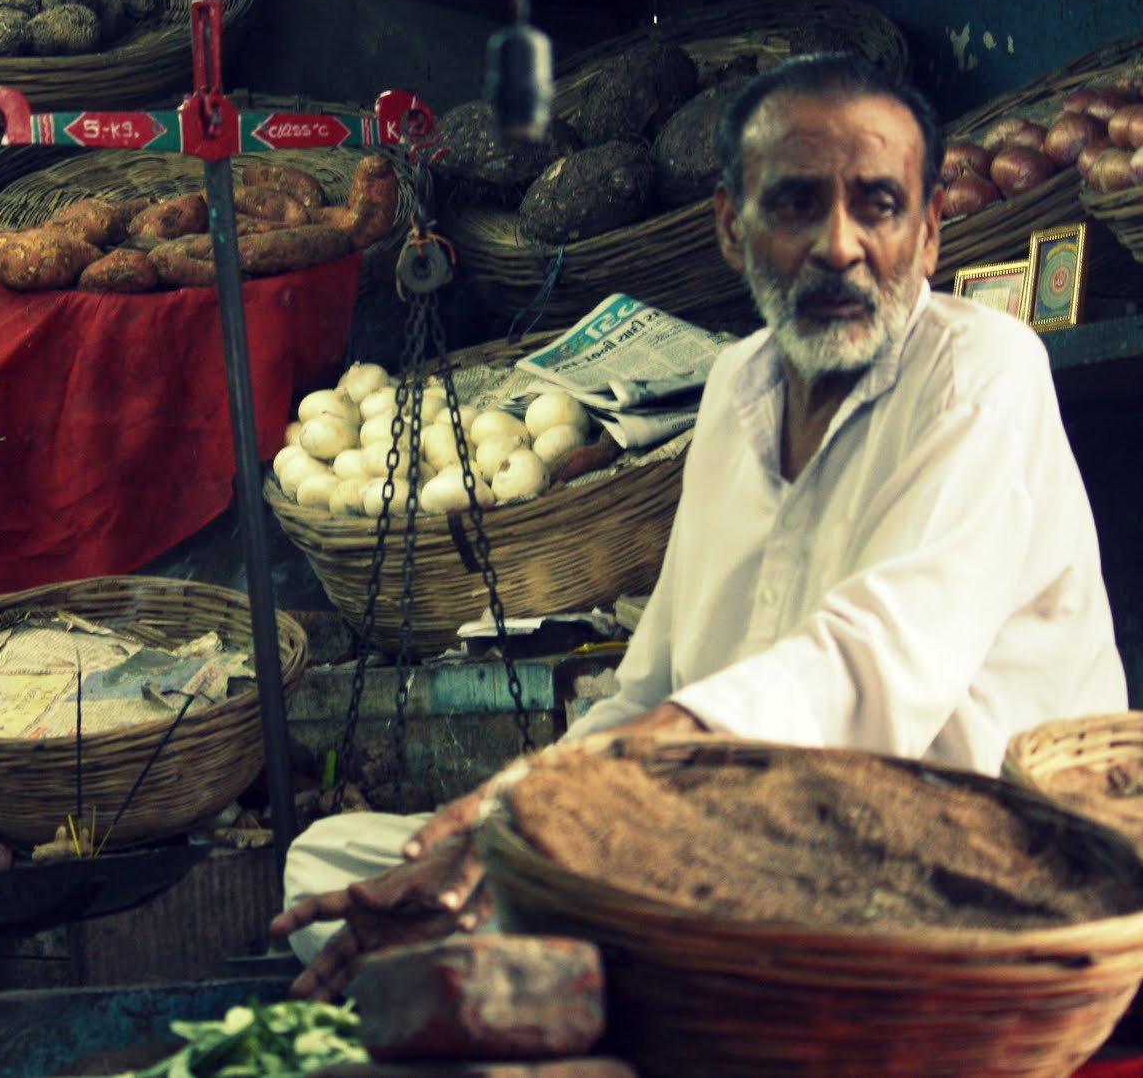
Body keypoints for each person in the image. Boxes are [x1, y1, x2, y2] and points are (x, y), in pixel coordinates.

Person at [268, 52, 1128, 1002]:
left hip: (962, 871)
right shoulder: (733, 392)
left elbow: (869, 662)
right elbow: (648, 691)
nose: (839, 245)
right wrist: (507, 827)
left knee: (547, 892)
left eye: (878, 206)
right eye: (796, 205)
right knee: (333, 860)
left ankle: (562, 972)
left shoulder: (983, 370)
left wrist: (528, 816)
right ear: (732, 228)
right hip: (749, 847)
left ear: (930, 236)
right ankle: (555, 963)